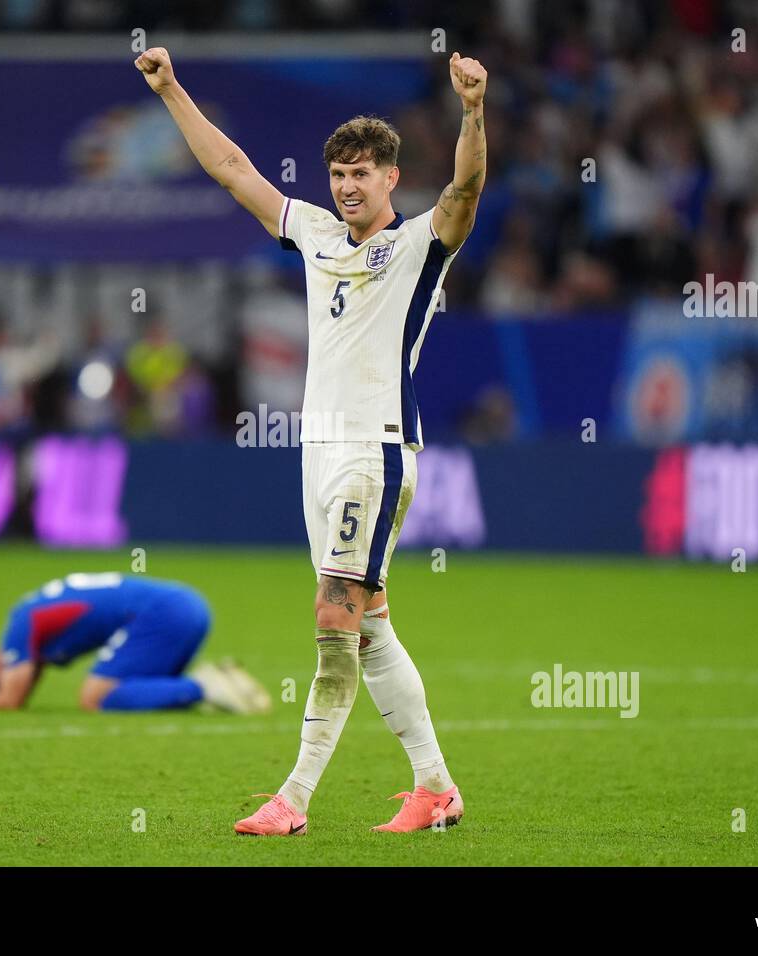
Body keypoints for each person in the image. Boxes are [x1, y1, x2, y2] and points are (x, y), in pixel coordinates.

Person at [135, 47, 487, 834]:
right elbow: (232, 168)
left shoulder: (421, 246)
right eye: (338, 173)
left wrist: (471, 112)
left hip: (377, 450)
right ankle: (436, 787)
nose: (347, 186)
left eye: (362, 173)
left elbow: (466, 189)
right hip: (318, 456)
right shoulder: (317, 237)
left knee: (335, 622)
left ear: (392, 178)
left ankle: (292, 799)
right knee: (369, 626)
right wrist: (171, 89)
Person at [0, 572, 268, 715]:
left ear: (2, 661)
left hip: (165, 613)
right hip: (185, 605)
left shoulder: (19, 627)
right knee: (122, 688)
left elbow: (10, 700)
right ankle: (203, 686)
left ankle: (200, 686)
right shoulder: (36, 622)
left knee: (94, 696)